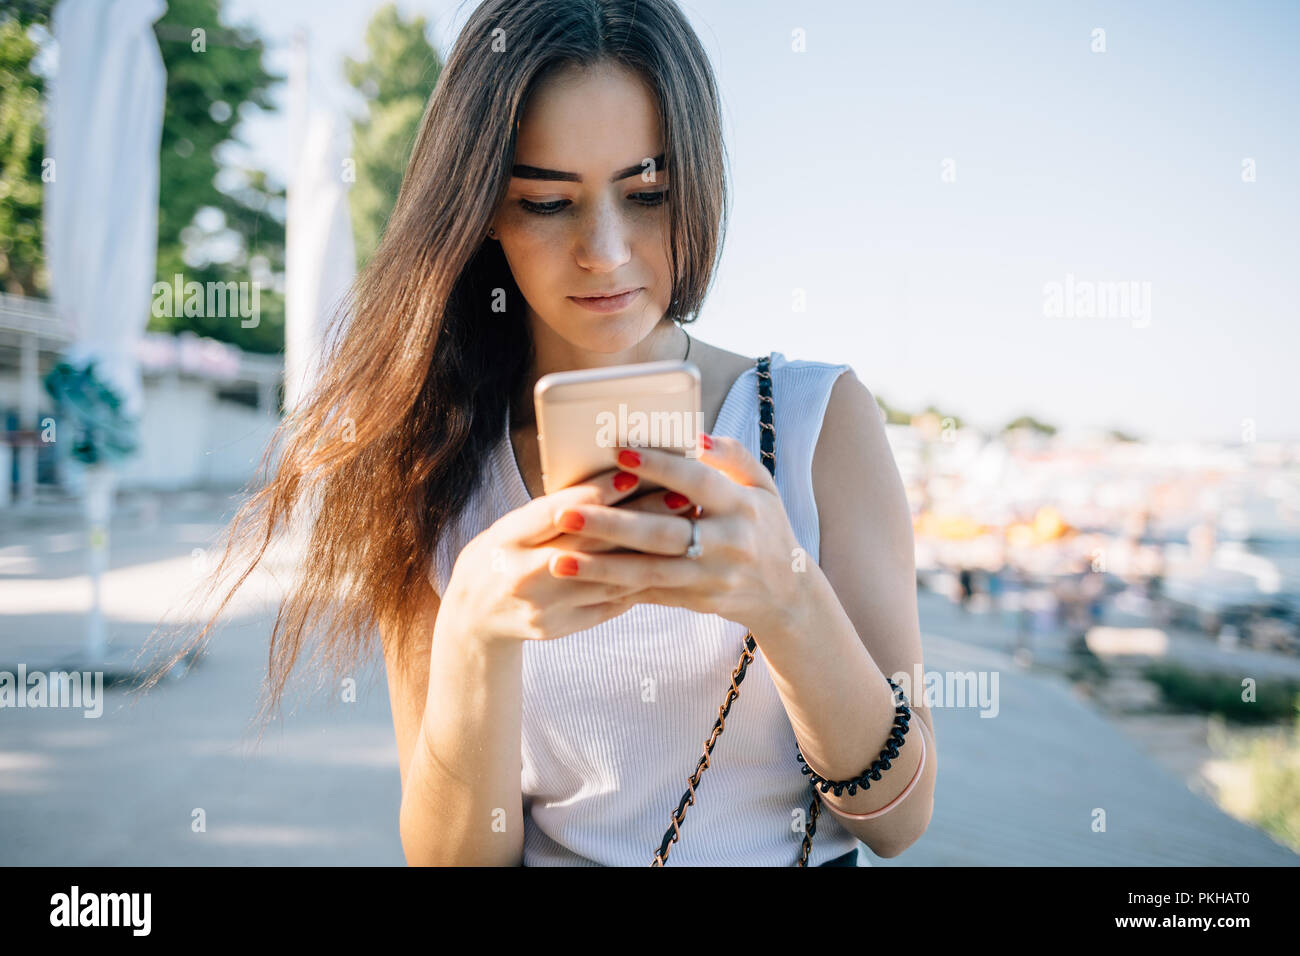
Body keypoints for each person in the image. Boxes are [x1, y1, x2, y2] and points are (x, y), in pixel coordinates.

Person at [144, 0, 935, 867]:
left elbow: (896, 822)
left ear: (699, 184)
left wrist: (787, 600)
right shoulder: (431, 457)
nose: (604, 250)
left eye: (648, 194)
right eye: (548, 202)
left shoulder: (819, 422)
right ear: (482, 207)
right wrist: (475, 632)